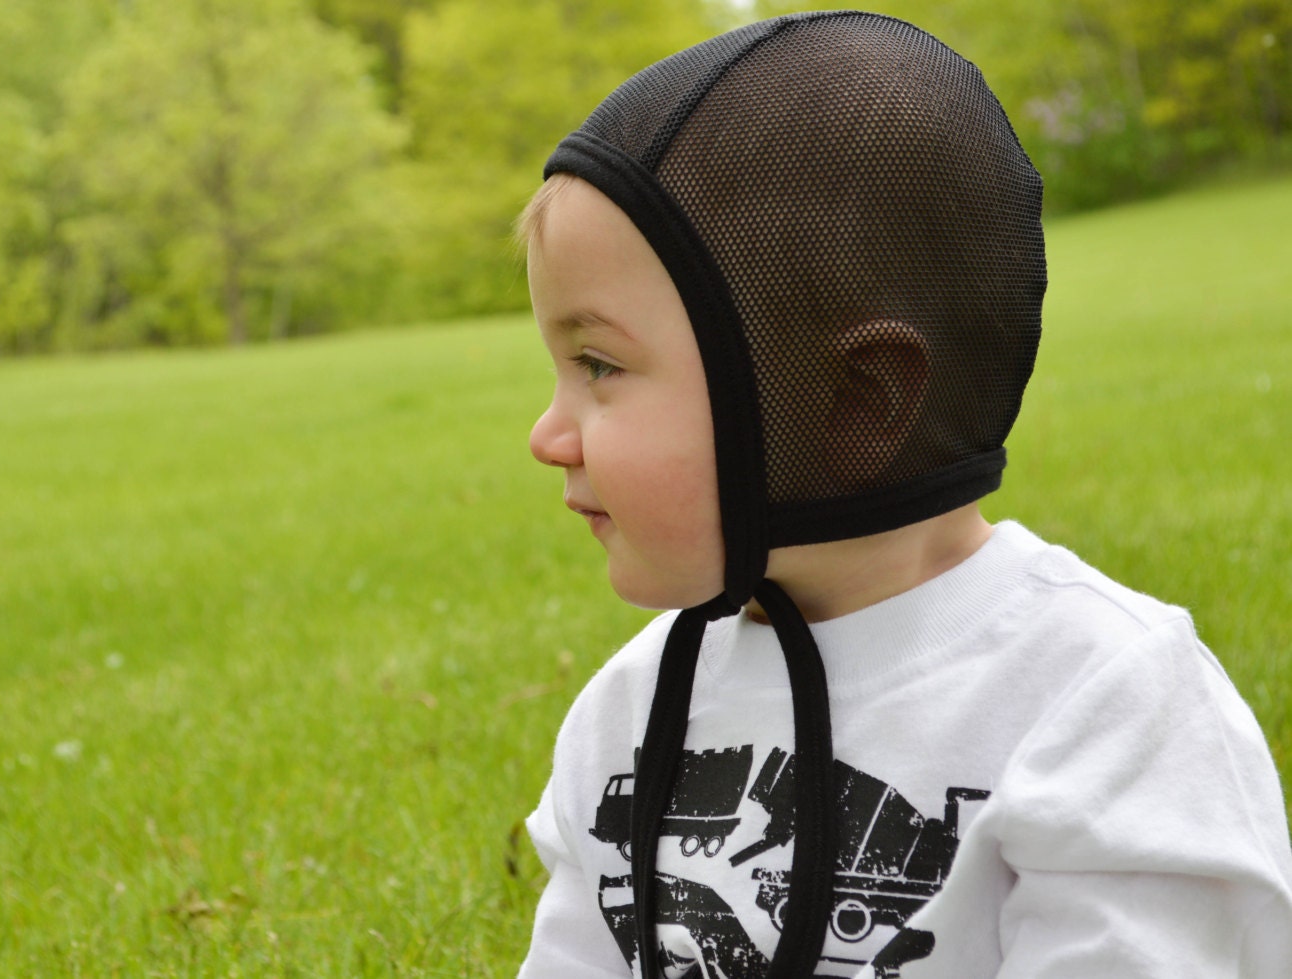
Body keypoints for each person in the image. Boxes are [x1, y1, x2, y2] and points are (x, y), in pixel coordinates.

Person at [514, 11, 1292, 979]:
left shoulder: (1102, 700)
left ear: (852, 404)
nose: (547, 436)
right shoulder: (631, 714)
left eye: (599, 364)